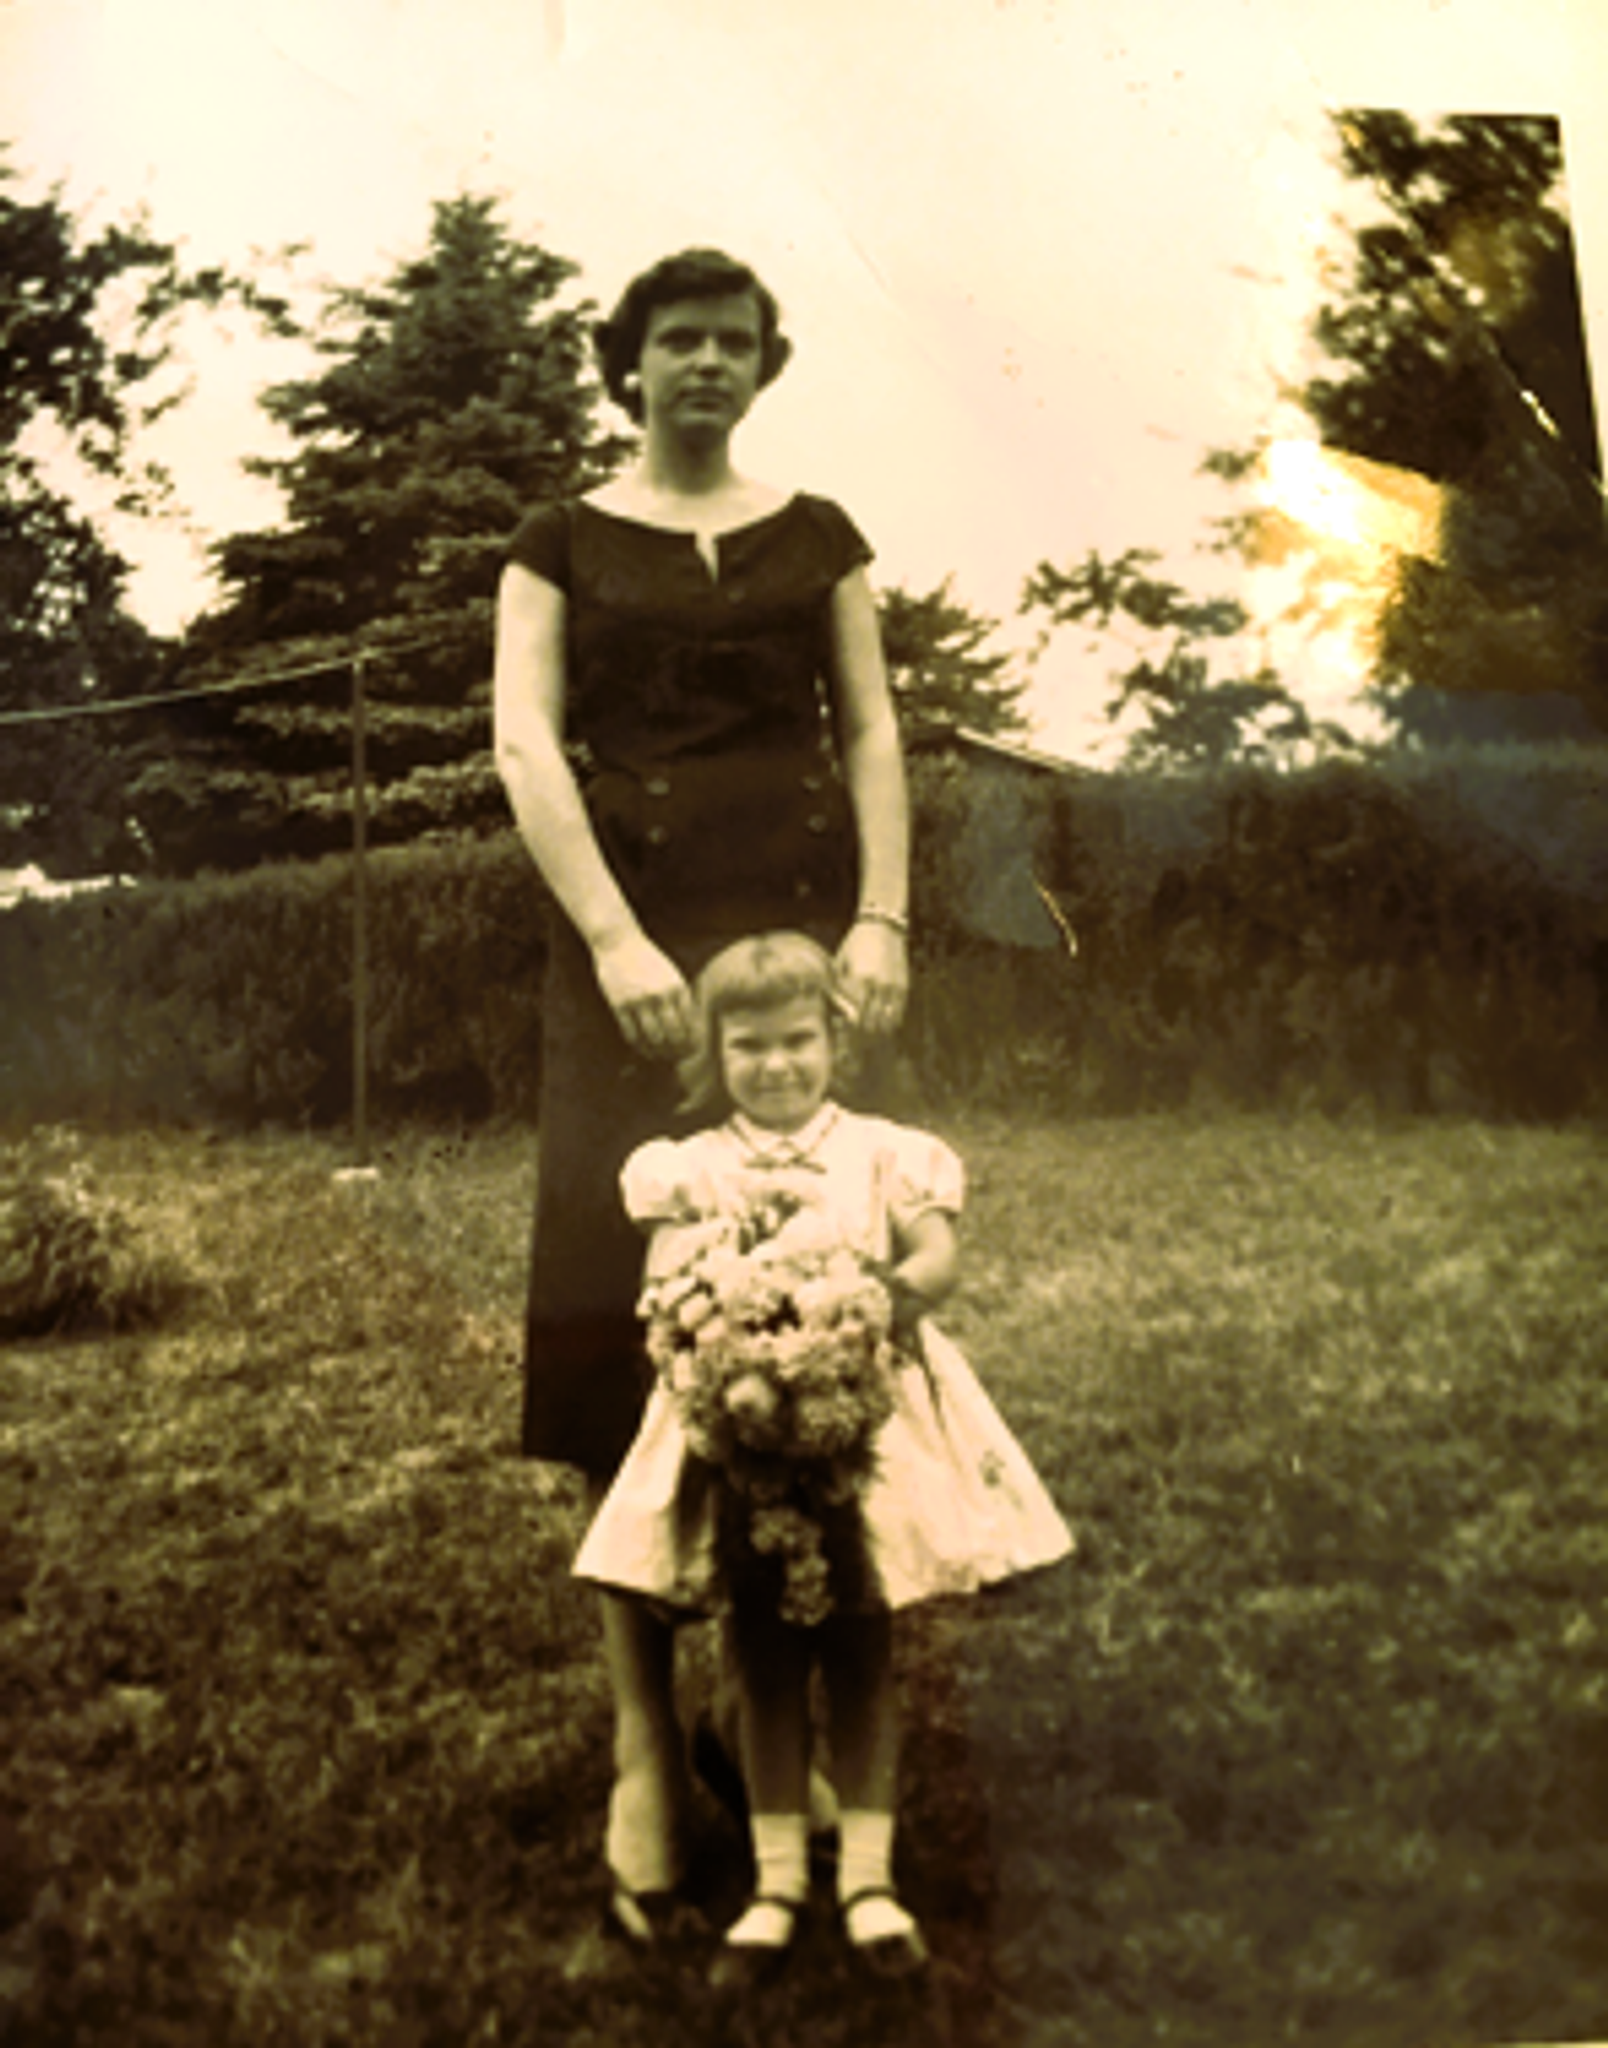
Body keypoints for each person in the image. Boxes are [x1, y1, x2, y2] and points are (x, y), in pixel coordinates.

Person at [492, 249, 911, 1950]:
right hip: (632, 969)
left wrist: (881, 917)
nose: (707, 366)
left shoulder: (819, 536)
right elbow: (525, 744)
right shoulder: (558, 538)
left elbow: (871, 733)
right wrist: (611, 939)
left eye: (734, 343)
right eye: (678, 341)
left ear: (761, 365)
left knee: (805, 1310)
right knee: (632, 1328)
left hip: (796, 955)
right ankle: (646, 1740)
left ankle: (770, 1706)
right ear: (630, 363)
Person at [574, 932, 1074, 1990]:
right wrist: (720, 1308)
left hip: (864, 1417)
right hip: (741, 1423)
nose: (777, 1064)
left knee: (858, 1638)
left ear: (835, 1043)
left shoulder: (886, 1151)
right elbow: (665, 1280)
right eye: (749, 1046)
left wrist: (871, 1299)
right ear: (715, 1053)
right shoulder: (689, 1166)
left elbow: (936, 1253)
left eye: (798, 1040)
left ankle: (869, 1880)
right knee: (761, 1645)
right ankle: (776, 1883)